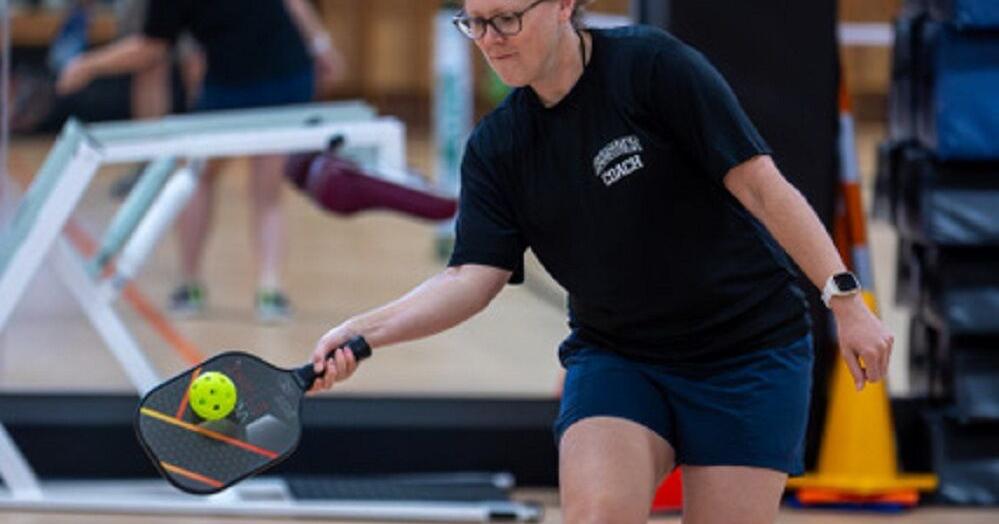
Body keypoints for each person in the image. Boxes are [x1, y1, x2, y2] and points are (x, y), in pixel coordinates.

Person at [308, 1, 894, 522]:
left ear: (564, 5)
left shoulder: (653, 68)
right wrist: (364, 331)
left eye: (507, 19)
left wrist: (844, 300)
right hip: (621, 357)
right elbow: (470, 279)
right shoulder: (498, 148)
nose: (490, 40)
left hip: (745, 352)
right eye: (477, 24)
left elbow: (761, 186)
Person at [56, 0, 344, 322]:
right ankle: (222, 285)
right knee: (204, 178)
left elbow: (150, 48)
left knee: (246, 185)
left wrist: (87, 65)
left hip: (275, 78)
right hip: (235, 82)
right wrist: (322, 47)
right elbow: (155, 47)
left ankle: (260, 287)